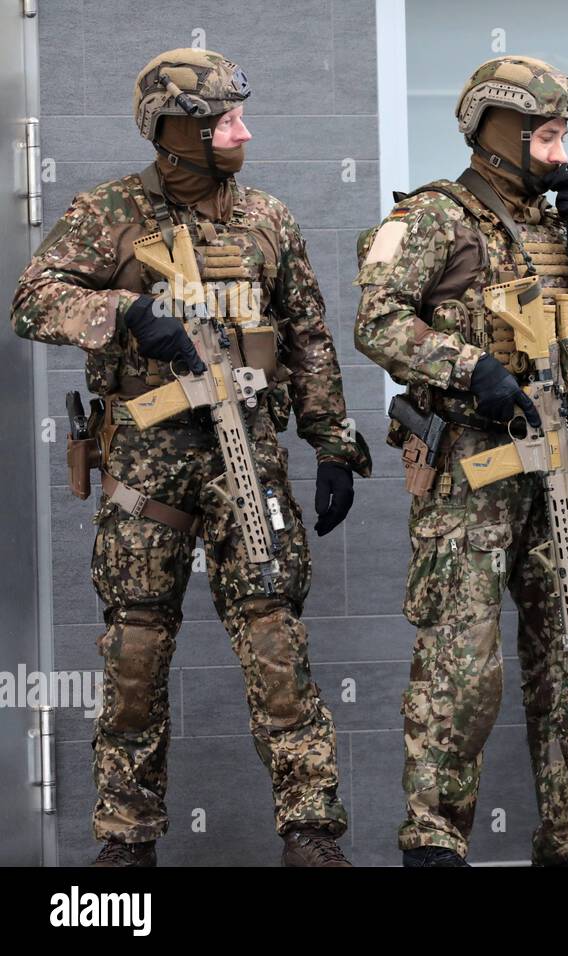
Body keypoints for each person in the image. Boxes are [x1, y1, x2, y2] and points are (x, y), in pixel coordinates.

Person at [10, 48, 371, 866]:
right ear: (178, 132)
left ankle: (311, 833)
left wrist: (333, 445)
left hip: (250, 461)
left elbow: (310, 338)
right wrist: (126, 312)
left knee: (277, 642)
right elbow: (34, 300)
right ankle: (126, 843)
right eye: (226, 121)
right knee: (136, 652)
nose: (244, 133)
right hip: (147, 467)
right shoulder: (109, 212)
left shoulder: (269, 221)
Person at [353, 55, 568, 867]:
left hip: (566, 476)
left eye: (563, 135)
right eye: (548, 134)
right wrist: (466, 367)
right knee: (464, 664)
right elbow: (376, 321)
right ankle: (435, 838)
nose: (560, 151)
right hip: (474, 479)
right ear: (499, 132)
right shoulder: (430, 219)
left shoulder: (567, 223)